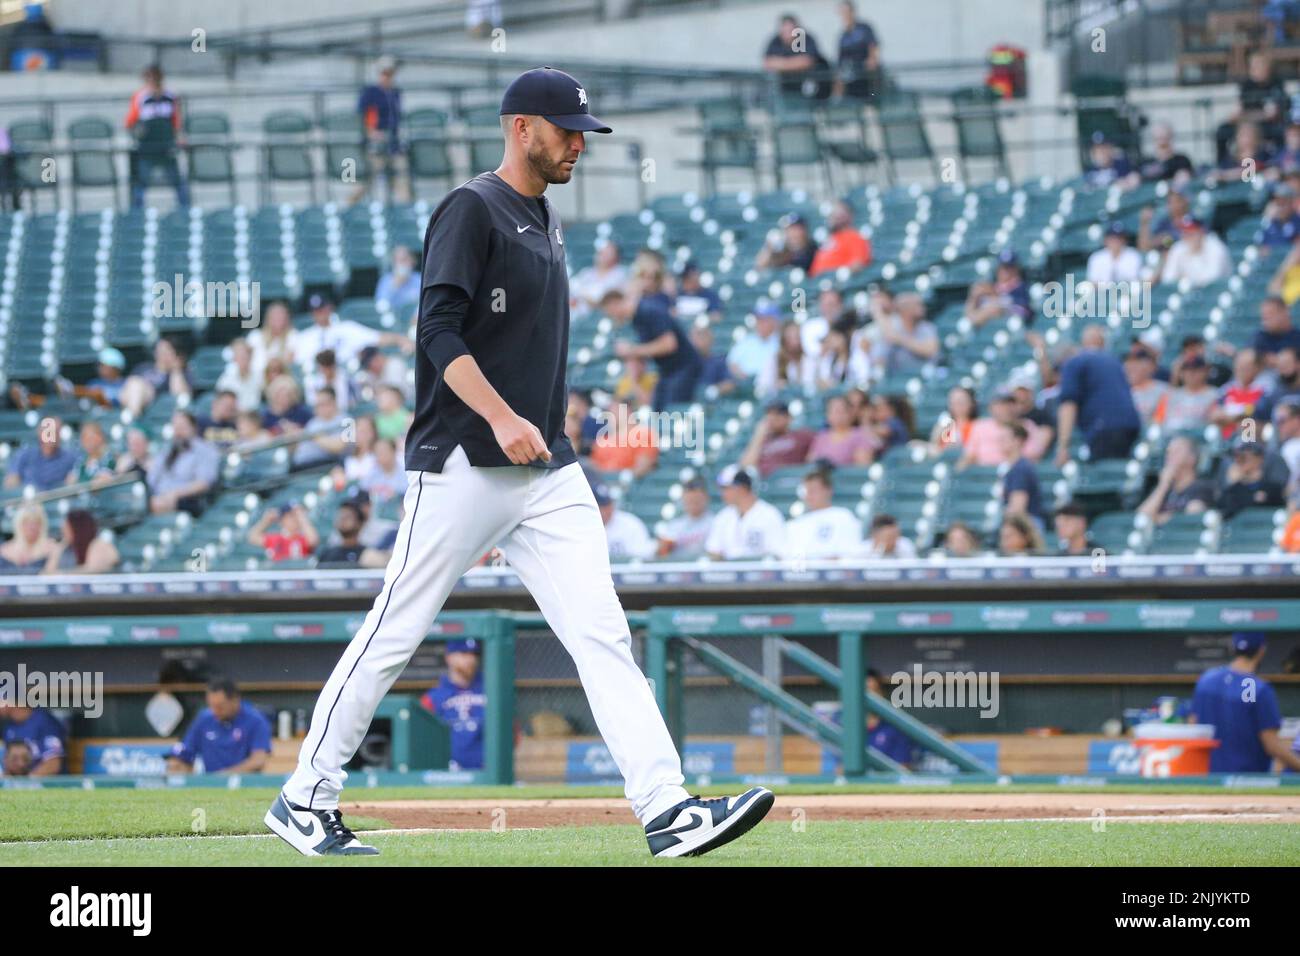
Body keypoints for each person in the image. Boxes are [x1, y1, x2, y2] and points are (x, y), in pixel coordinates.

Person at [268, 67, 773, 858]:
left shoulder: (544, 215)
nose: (580, 142)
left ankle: (667, 809)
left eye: (583, 131)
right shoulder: (472, 208)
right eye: (567, 129)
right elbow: (437, 332)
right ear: (520, 127)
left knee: (603, 634)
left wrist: (530, 424)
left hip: (546, 468)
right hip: (465, 460)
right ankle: (304, 797)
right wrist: (500, 416)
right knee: (396, 631)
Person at [1191, 632, 1300, 773]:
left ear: (1232, 648)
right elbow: (1272, 745)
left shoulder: (1206, 681)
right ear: (1261, 651)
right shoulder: (1258, 688)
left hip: (1208, 778)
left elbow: (1193, 725)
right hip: (1249, 780)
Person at [1054, 325, 1141, 465]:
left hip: (1104, 427)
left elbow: (1068, 405)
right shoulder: (1114, 361)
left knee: (1103, 477)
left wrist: (1063, 446)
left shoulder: (1075, 362)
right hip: (1131, 425)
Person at [604, 288, 702, 410]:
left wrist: (632, 350)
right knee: (657, 411)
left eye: (610, 312)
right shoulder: (637, 318)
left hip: (684, 367)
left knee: (671, 411)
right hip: (668, 370)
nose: (612, 316)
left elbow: (669, 344)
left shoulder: (648, 311)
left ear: (615, 304)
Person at [167, 678, 272, 774]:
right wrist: (177, 764)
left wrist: (223, 776)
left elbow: (258, 760)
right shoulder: (204, 718)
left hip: (244, 785)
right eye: (211, 706)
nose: (215, 711)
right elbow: (185, 752)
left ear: (235, 700)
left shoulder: (256, 720)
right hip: (210, 787)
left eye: (220, 706)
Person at [295, 291, 411, 373]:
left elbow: (377, 338)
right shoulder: (305, 336)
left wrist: (401, 339)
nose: (320, 313)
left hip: (347, 374)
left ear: (329, 307)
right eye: (316, 311)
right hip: (318, 380)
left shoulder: (346, 328)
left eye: (322, 309)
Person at [125, 64, 188, 208]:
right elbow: (130, 123)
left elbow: (177, 122)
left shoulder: (171, 97)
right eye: (150, 79)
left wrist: (179, 137)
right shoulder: (140, 97)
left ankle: (185, 212)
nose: (153, 83)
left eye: (156, 79)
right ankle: (136, 216)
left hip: (166, 148)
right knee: (141, 183)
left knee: (178, 184)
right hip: (147, 149)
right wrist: (138, 131)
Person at [420, 640, 486, 771]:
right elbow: (421, 738)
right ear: (449, 657)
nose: (471, 659)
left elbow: (512, 734)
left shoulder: (493, 691)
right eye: (464, 653)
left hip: (487, 771)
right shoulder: (433, 697)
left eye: (474, 654)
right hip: (447, 773)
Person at [352, 56, 410, 204]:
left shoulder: (395, 93)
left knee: (401, 180)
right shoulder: (372, 92)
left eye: (390, 73)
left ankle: (406, 210)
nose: (388, 77)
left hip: (394, 144)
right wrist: (372, 132)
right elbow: (366, 115)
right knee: (366, 180)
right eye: (385, 73)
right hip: (377, 144)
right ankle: (349, 206)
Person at [146, 410, 220, 516]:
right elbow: (152, 478)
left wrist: (175, 494)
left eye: (182, 427)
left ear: (194, 428)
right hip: (159, 496)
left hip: (188, 500)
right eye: (175, 427)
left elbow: (204, 483)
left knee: (158, 505)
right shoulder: (167, 450)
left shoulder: (205, 451)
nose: (178, 432)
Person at [705, 464, 786, 560]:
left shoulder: (769, 515)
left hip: (758, 572)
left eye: (726, 488)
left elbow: (777, 554)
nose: (722, 493)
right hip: (728, 572)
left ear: (741, 488)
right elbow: (713, 551)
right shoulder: (723, 516)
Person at [783, 468, 863, 560]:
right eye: (806, 491)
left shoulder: (843, 516)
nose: (809, 496)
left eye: (813, 491)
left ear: (828, 491)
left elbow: (852, 552)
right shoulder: (796, 523)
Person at [1137, 436, 1215, 524]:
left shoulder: (1202, 487)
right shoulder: (1164, 489)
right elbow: (1141, 518)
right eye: (1168, 452)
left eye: (1176, 451)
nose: (1169, 456)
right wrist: (1163, 485)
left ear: (1192, 458)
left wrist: (1157, 518)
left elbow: (1192, 517)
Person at [118, 336, 193, 417]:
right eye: (159, 350)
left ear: (175, 354)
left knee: (136, 385)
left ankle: (132, 418)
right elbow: (123, 395)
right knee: (135, 383)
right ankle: (133, 416)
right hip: (135, 400)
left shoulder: (178, 374)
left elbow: (180, 397)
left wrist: (176, 370)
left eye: (165, 351)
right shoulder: (143, 367)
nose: (161, 354)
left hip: (156, 406)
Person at [739, 400, 815, 476]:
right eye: (769, 414)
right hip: (766, 483)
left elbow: (815, 456)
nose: (773, 418)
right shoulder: (762, 441)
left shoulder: (801, 436)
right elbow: (746, 467)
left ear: (789, 418)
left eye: (778, 414)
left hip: (791, 479)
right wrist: (758, 436)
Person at [762, 13, 827, 99]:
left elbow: (807, 61)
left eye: (791, 30)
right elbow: (767, 63)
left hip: (809, 86)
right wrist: (792, 63)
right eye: (785, 30)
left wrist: (781, 64)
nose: (788, 34)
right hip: (785, 87)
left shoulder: (805, 38)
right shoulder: (775, 40)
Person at [4, 417, 78, 491]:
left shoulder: (69, 458)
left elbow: (73, 481)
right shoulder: (25, 455)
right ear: (40, 432)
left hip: (55, 499)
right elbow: (10, 482)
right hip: (29, 500)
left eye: (56, 431)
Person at [589, 400, 658, 478]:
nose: (612, 413)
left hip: (631, 486)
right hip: (603, 485)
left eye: (617, 409)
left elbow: (642, 467)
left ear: (628, 410)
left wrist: (624, 478)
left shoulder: (643, 434)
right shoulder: (601, 441)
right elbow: (593, 470)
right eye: (610, 410)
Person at [1218, 441, 1286, 519]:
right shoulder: (1233, 490)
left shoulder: (1272, 487)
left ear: (1259, 459)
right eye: (1237, 457)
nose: (1239, 461)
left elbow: (1272, 501)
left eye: (1244, 458)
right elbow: (1223, 506)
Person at [1212, 349, 1269, 441]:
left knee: (1248, 424)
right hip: (1225, 439)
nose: (1241, 369)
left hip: (1252, 440)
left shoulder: (1264, 390)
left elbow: (1256, 410)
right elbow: (1215, 413)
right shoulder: (1227, 389)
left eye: (1246, 366)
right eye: (1238, 365)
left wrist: (1233, 417)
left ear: (1257, 368)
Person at [806, 394, 877, 467]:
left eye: (840, 411)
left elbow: (862, 466)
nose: (837, 415)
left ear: (850, 413)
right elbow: (811, 462)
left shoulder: (860, 435)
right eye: (832, 411)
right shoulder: (822, 436)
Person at [1160, 216, 1232, 287]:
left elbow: (1213, 279)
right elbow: (1168, 279)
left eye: (1191, 232)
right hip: (1190, 293)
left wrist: (1185, 279)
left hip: (1217, 291)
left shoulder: (1216, 247)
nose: (1187, 237)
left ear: (1201, 231)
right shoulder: (1179, 248)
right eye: (1185, 232)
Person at [966, 250, 1031, 328]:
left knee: (994, 308)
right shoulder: (991, 286)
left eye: (1009, 267)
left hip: (1012, 324)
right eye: (1003, 267)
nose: (1005, 271)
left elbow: (1016, 306)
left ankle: (972, 322)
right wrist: (975, 297)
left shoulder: (1021, 286)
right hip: (988, 327)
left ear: (1016, 268)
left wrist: (992, 293)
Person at [655, 476, 714, 559]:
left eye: (696, 500)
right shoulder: (675, 525)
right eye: (689, 500)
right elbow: (661, 553)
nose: (693, 503)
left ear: (706, 498)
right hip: (679, 569)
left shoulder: (715, 523)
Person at [1153, 355, 1217, 432]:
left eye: (1196, 369)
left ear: (1205, 372)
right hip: (1169, 436)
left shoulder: (1214, 395)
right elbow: (1157, 420)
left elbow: (1214, 424)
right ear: (1181, 373)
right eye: (1187, 369)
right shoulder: (1170, 395)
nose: (1191, 373)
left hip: (1197, 437)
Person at [43, 509, 118, 574]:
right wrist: (58, 550)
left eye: (67, 528)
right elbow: (46, 573)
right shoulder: (64, 547)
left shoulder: (99, 544)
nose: (63, 531)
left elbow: (91, 570)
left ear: (78, 529)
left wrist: (62, 574)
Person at [594, 482, 654, 562]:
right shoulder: (582, 526)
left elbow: (641, 557)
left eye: (608, 504)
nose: (606, 510)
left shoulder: (630, 524)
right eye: (601, 506)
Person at [292, 387, 350, 470]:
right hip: (299, 466)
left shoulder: (347, 420)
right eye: (317, 405)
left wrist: (313, 436)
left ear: (333, 403)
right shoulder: (313, 422)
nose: (318, 408)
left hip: (325, 465)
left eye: (322, 404)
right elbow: (299, 447)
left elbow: (340, 447)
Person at [809, 201, 871, 277]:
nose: (833, 216)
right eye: (832, 213)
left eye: (838, 213)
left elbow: (857, 265)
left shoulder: (854, 237)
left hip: (838, 284)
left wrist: (835, 276)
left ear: (848, 216)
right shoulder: (830, 239)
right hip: (819, 282)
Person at [0, 704, 66, 775]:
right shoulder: (7, 725)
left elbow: (53, 765)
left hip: (47, 783)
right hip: (18, 782)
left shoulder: (45, 721)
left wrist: (27, 782)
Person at [834, 0, 880, 99]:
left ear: (852, 12)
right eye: (842, 13)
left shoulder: (864, 28)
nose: (844, 16)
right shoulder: (843, 36)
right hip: (851, 74)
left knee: (870, 95)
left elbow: (873, 46)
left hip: (866, 74)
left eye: (846, 12)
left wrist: (872, 59)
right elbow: (840, 61)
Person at [757, 320, 816, 397]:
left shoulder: (808, 360)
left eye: (797, 337)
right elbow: (762, 386)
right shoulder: (774, 360)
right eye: (790, 337)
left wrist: (791, 386)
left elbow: (809, 386)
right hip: (779, 400)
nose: (795, 342)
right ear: (783, 340)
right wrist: (775, 386)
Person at [728, 300, 782, 382]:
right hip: (746, 385)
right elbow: (732, 363)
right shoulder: (746, 340)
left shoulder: (781, 342)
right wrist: (742, 377)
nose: (760, 323)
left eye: (764, 319)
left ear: (774, 321)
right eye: (758, 319)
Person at [1000, 422, 1044, 525]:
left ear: (1018, 441)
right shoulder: (1015, 467)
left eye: (1005, 438)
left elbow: (1017, 509)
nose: (1001, 441)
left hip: (1028, 527)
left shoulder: (1020, 469)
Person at [570, 241, 627, 319]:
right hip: (578, 315)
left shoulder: (620, 273)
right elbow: (572, 292)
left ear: (616, 256)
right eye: (601, 253)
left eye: (608, 253)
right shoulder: (586, 273)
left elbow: (605, 300)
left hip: (604, 316)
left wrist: (583, 295)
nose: (603, 256)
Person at [248, 501, 319, 562]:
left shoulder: (303, 539)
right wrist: (266, 521)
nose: (295, 519)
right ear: (282, 519)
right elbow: (252, 537)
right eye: (291, 516)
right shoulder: (275, 539)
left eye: (296, 515)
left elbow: (313, 541)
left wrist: (302, 517)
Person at [0, 504, 57, 574]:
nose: (32, 527)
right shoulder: (5, 549)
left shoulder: (51, 548)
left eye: (36, 523)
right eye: (27, 523)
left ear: (42, 525)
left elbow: (51, 576)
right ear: (19, 524)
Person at [1125, 345, 1169, 426]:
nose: (1131, 366)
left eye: (1137, 363)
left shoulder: (1163, 390)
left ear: (1151, 367)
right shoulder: (1122, 390)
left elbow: (1160, 420)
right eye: (1130, 362)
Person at [216, 337, 263, 412]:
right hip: (233, 416)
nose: (243, 359)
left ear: (251, 357)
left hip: (254, 415)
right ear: (235, 358)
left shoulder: (260, 377)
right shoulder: (225, 379)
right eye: (240, 356)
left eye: (245, 356)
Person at [1252, 296, 1300, 369]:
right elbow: (1248, 357)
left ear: (1284, 312)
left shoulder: (1297, 337)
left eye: (1270, 314)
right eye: (1264, 316)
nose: (1265, 320)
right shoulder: (1260, 336)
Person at [314, 502, 367, 567]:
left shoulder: (367, 554)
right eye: (341, 516)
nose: (343, 520)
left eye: (347, 516)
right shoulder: (327, 554)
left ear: (359, 523)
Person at [374, 245, 421, 316]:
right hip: (393, 320)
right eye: (398, 260)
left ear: (412, 260)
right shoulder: (386, 280)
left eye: (404, 259)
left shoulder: (420, 279)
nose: (402, 264)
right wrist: (395, 285)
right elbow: (381, 306)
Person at [360, 437, 405, 502]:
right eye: (377, 452)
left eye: (384, 450)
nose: (381, 454)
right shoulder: (373, 472)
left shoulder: (404, 471)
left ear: (394, 451)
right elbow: (363, 488)